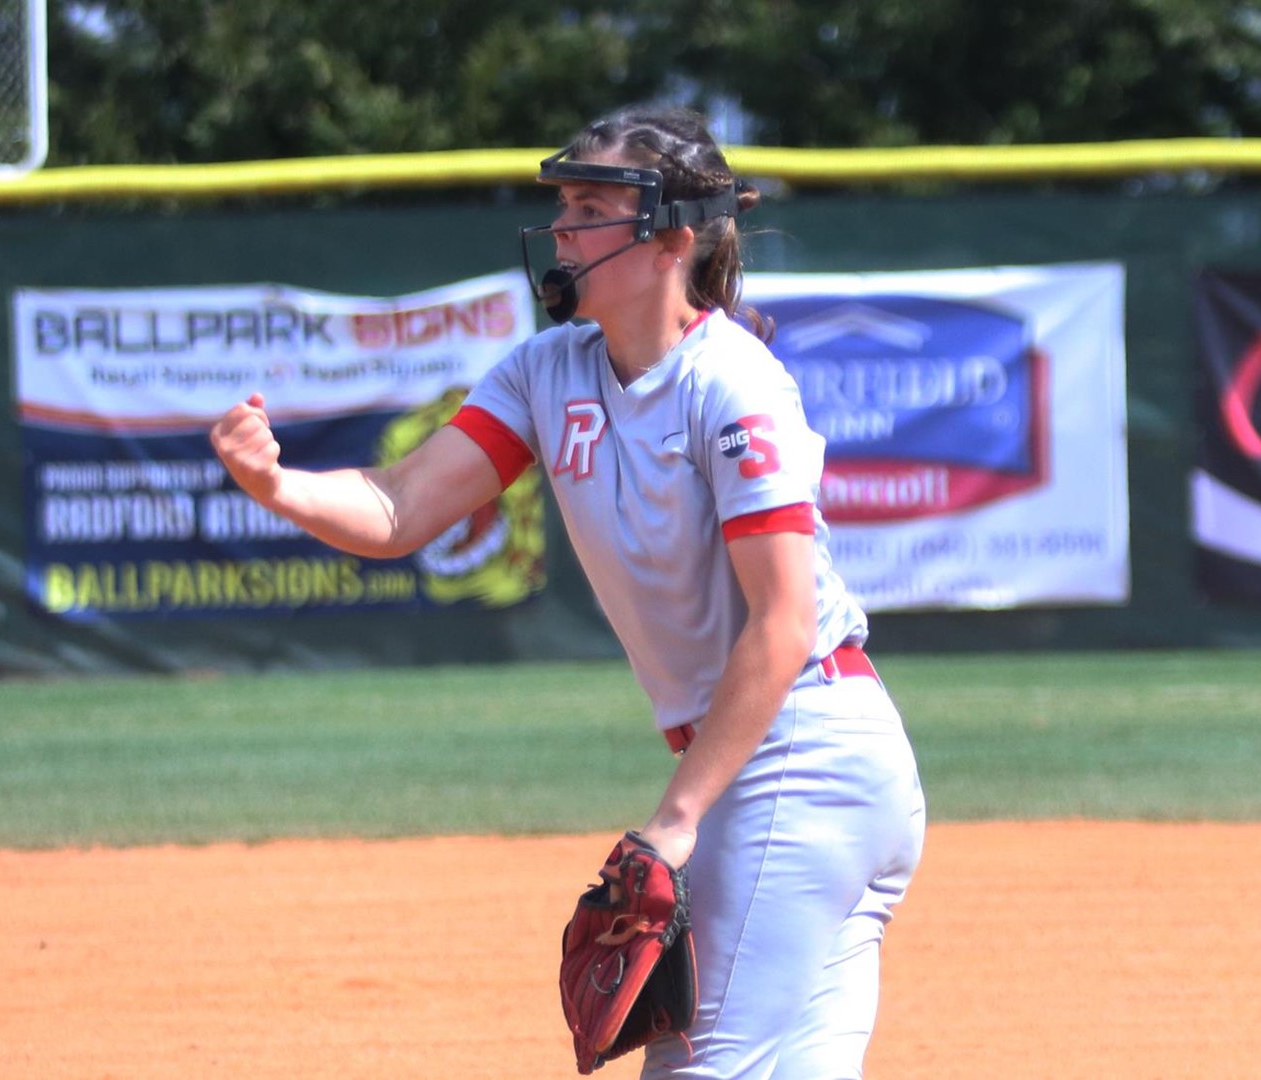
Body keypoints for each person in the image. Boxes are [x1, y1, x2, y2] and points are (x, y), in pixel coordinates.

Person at [209, 104, 925, 1080]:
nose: (562, 228)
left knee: (699, 1070)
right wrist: (277, 485)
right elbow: (400, 505)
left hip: (802, 756)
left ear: (671, 235)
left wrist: (676, 823)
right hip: (786, 766)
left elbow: (785, 622)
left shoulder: (731, 384)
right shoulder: (549, 373)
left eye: (593, 205)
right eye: (564, 204)